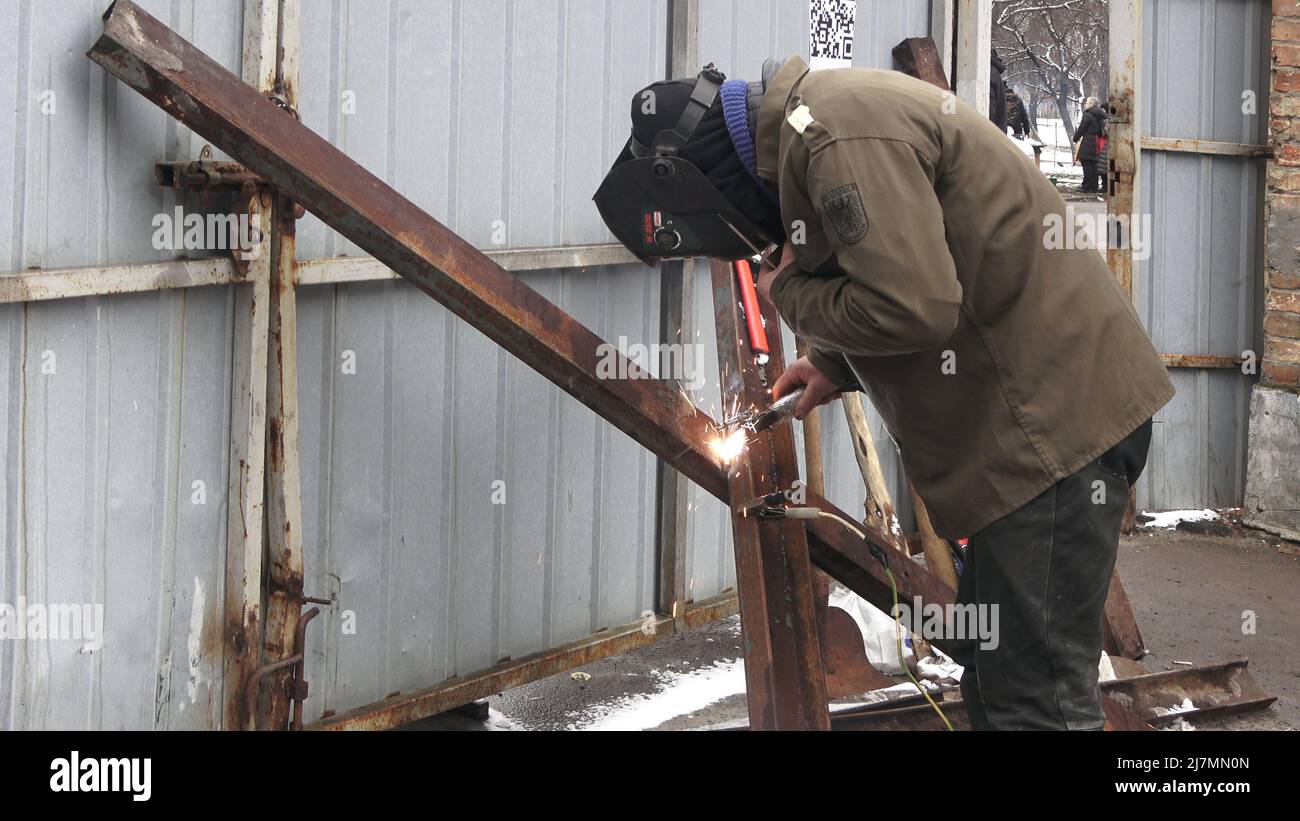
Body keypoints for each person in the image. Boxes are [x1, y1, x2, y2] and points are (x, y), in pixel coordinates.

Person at [597, 57, 1173, 730]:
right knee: (998, 678)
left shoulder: (835, 138)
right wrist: (834, 364)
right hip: (1035, 436)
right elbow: (899, 263)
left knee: (1036, 702)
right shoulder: (818, 129)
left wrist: (789, 292)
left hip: (1053, 436)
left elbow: (916, 306)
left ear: (711, 178)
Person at [1073, 97, 1109, 194]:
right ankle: (1094, 187)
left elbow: (1082, 128)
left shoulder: (1088, 114)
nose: (1086, 104)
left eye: (1087, 103)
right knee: (1093, 165)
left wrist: (1075, 138)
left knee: (1086, 164)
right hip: (1096, 142)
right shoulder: (1100, 115)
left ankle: (1087, 187)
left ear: (1092, 104)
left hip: (1088, 141)